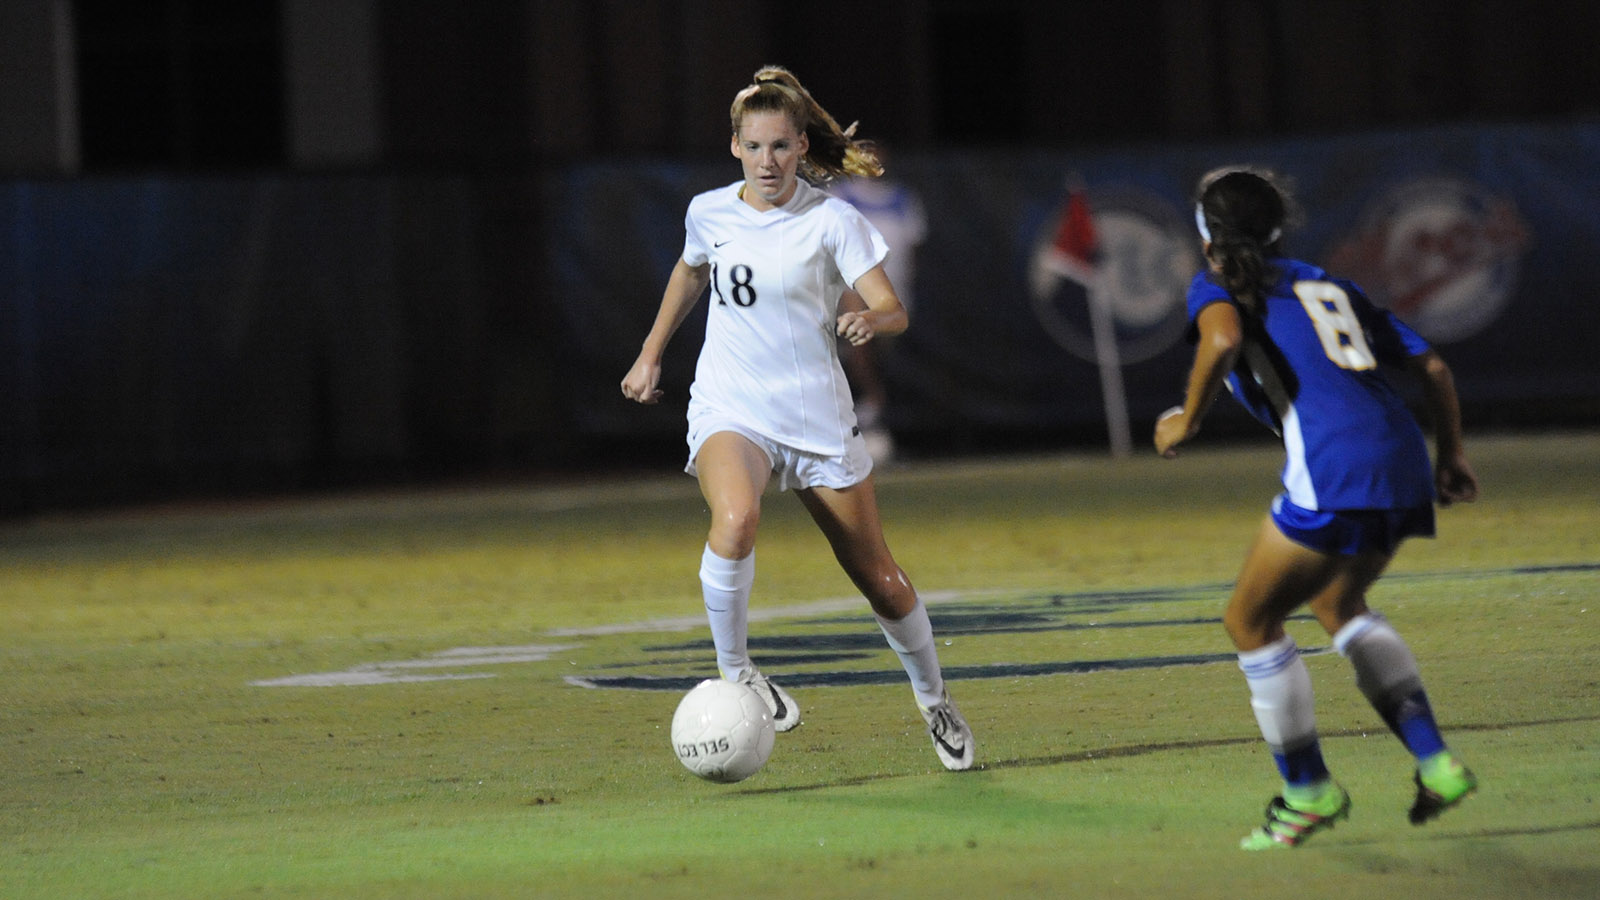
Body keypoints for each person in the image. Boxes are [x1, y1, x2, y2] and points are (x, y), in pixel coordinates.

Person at [620, 66, 974, 771]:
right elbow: (690, 271)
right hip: (732, 405)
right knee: (735, 520)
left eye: (781, 146)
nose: (768, 161)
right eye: (754, 147)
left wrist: (872, 319)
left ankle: (933, 698)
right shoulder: (709, 212)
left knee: (879, 577)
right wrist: (651, 352)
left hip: (814, 417)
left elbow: (893, 306)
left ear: (802, 144)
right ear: (734, 148)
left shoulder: (832, 219)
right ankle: (738, 670)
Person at [1154, 167, 1479, 849]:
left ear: (1207, 233)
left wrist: (1186, 418)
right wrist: (1451, 457)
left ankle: (1308, 791)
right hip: (1403, 459)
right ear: (1277, 228)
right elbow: (1436, 369)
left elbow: (1220, 340)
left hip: (1334, 469)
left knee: (1248, 619)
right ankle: (1437, 762)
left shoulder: (1218, 285)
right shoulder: (1326, 281)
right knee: (1338, 606)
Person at [829, 149, 927, 463]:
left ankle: (873, 414)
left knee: (881, 359)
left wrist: (904, 293)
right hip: (850, 289)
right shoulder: (839, 197)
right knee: (859, 345)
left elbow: (913, 251)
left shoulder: (902, 198)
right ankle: (866, 409)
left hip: (892, 294)